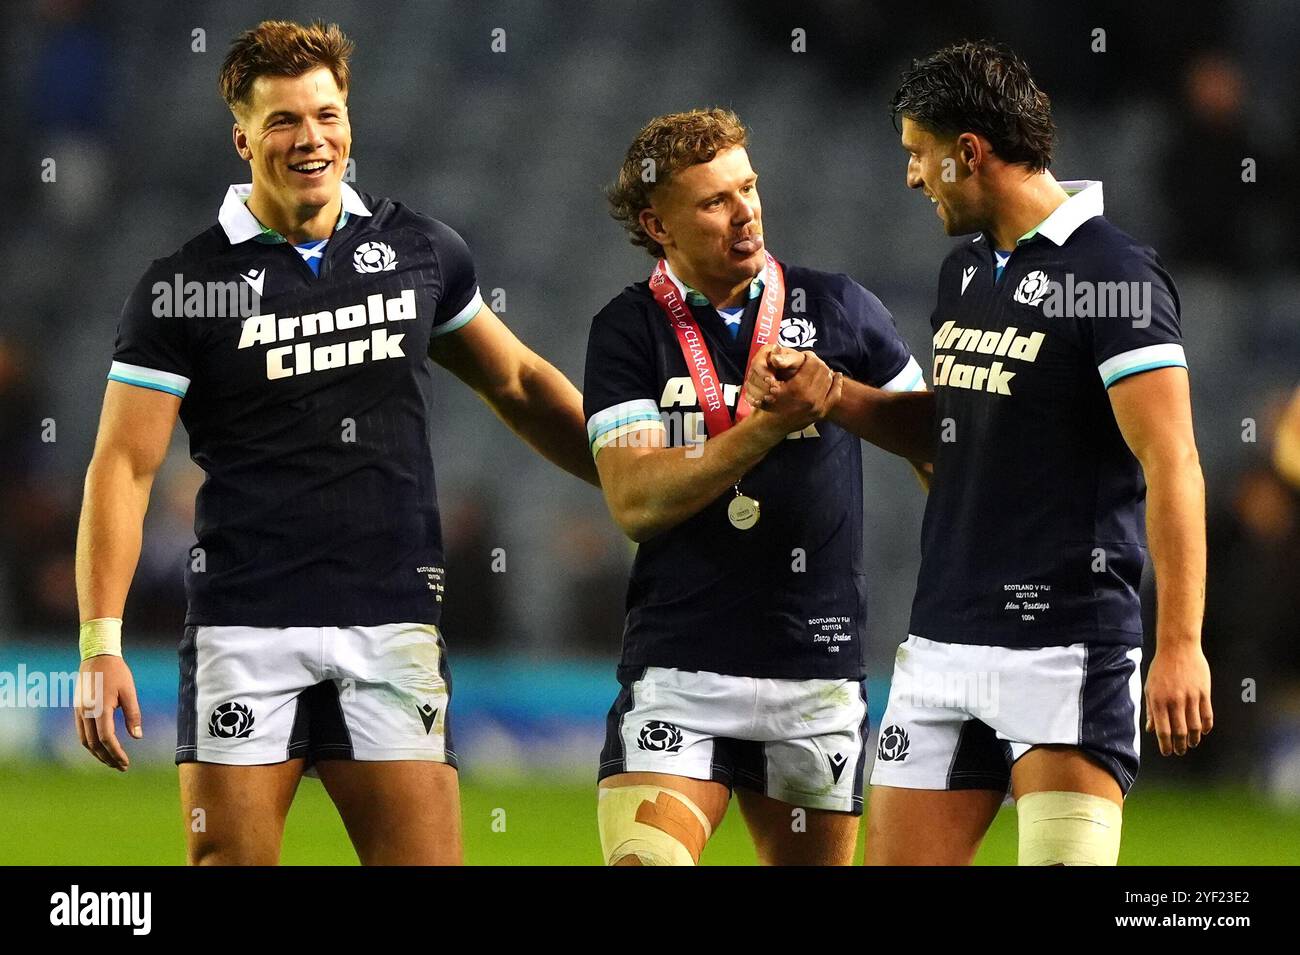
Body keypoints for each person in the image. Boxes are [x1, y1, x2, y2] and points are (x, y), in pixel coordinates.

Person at [73, 19, 595, 865]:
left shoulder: (419, 250)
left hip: (392, 622)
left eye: (326, 114)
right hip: (245, 627)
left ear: (349, 117)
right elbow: (124, 466)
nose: (311, 139)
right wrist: (101, 642)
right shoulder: (183, 288)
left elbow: (520, 382)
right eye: (283, 121)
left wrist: (633, 478)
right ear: (242, 137)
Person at [754, 40, 1213, 865]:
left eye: (918, 155)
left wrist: (1180, 642)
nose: (910, 177)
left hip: (1066, 648)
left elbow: (1171, 458)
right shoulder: (965, 271)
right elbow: (957, 428)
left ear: (968, 153)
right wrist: (831, 393)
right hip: (941, 643)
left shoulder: (1112, 275)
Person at [585, 108, 930, 866]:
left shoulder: (840, 307)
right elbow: (636, 501)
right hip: (681, 669)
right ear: (659, 223)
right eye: (715, 200)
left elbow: (936, 447)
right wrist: (769, 425)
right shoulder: (629, 329)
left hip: (816, 671)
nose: (746, 212)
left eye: (749, 187)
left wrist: (838, 392)